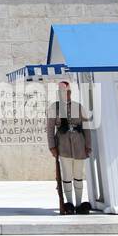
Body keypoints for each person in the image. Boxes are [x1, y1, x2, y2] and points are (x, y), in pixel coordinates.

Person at [46, 79, 92, 214]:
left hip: (79, 145)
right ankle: (69, 203)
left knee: (78, 175)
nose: (64, 94)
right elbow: (50, 130)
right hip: (63, 145)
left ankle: (78, 204)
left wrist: (88, 145)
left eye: (66, 91)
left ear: (70, 92)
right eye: (61, 92)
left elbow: (87, 128)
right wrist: (52, 147)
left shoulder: (78, 107)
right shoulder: (54, 108)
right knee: (67, 175)